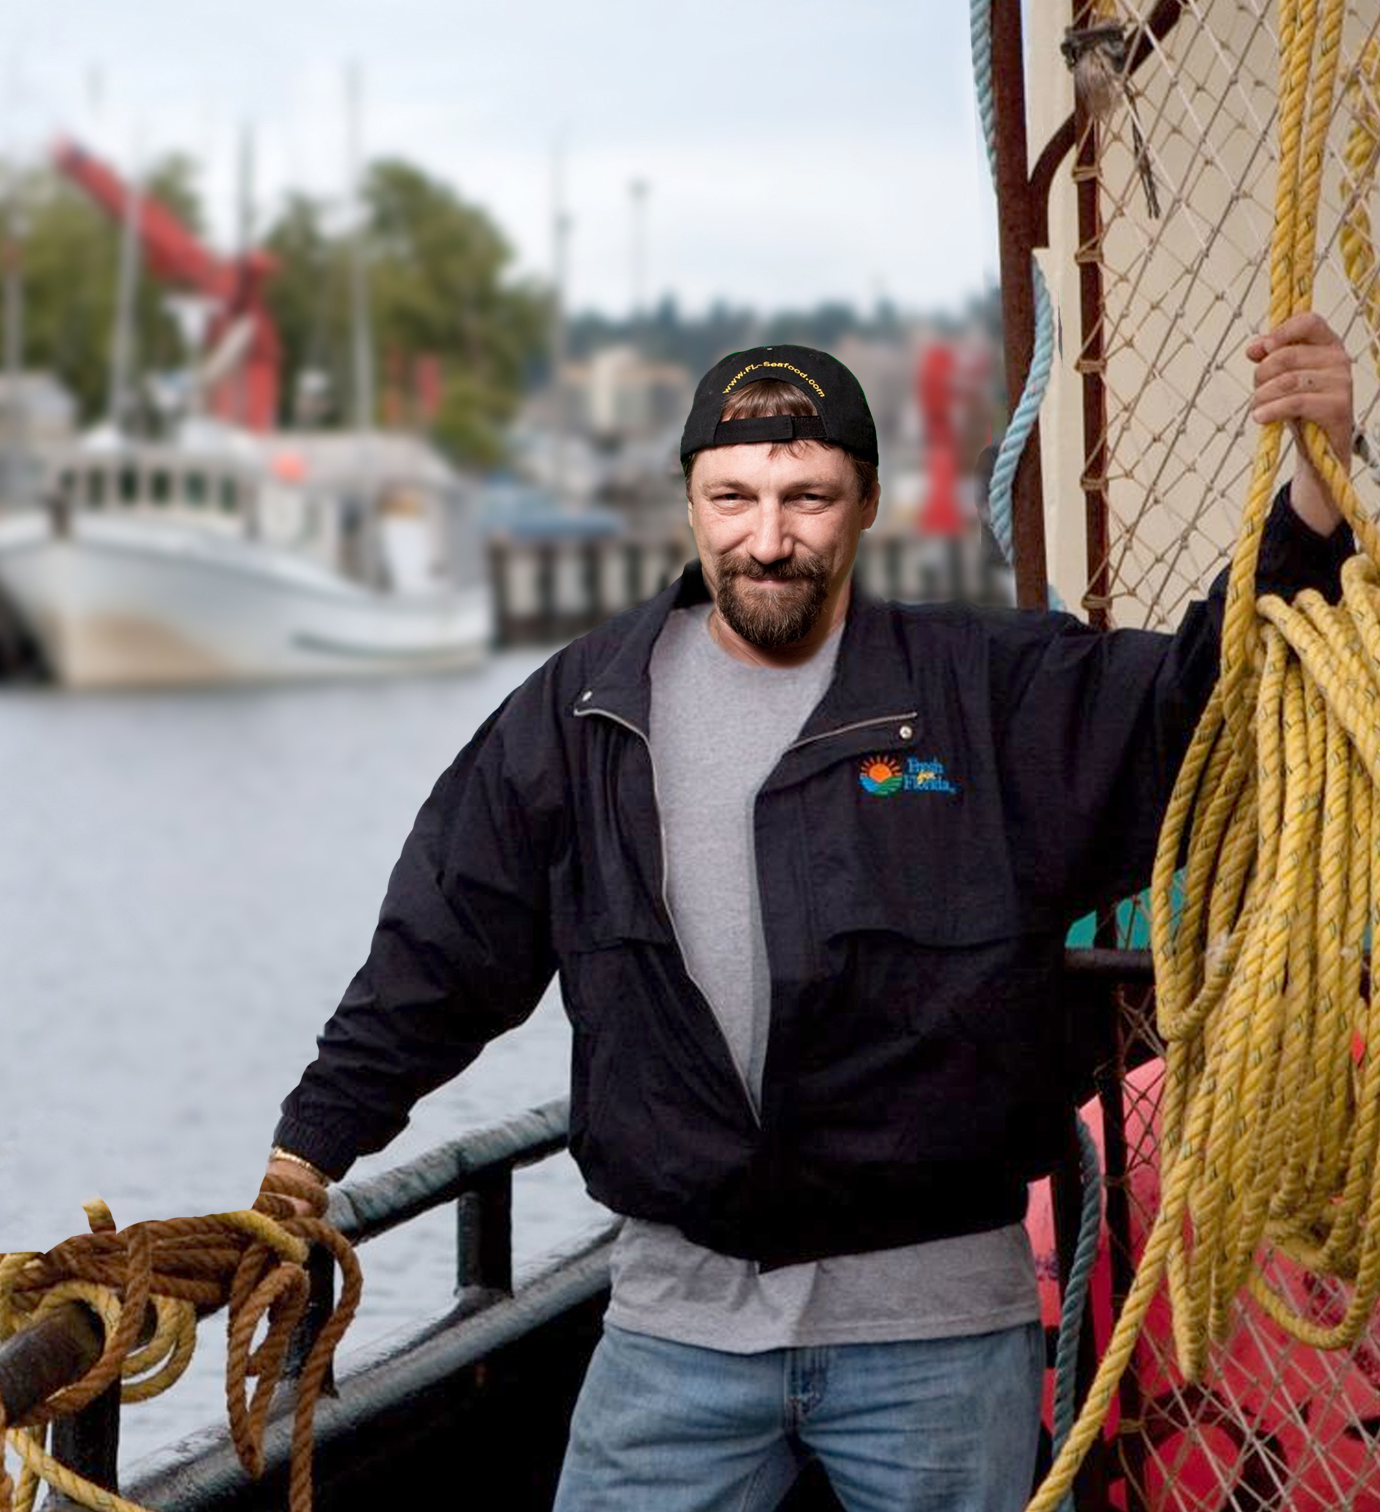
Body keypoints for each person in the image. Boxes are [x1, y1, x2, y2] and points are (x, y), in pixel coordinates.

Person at [263, 317, 1354, 1511]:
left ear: (867, 503)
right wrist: (307, 1149)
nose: (767, 539)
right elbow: (441, 951)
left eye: (808, 496)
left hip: (940, 1338)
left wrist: (1311, 491)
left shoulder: (984, 696)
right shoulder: (580, 716)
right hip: (675, 1337)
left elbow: (1205, 703)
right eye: (732, 496)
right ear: (688, 502)